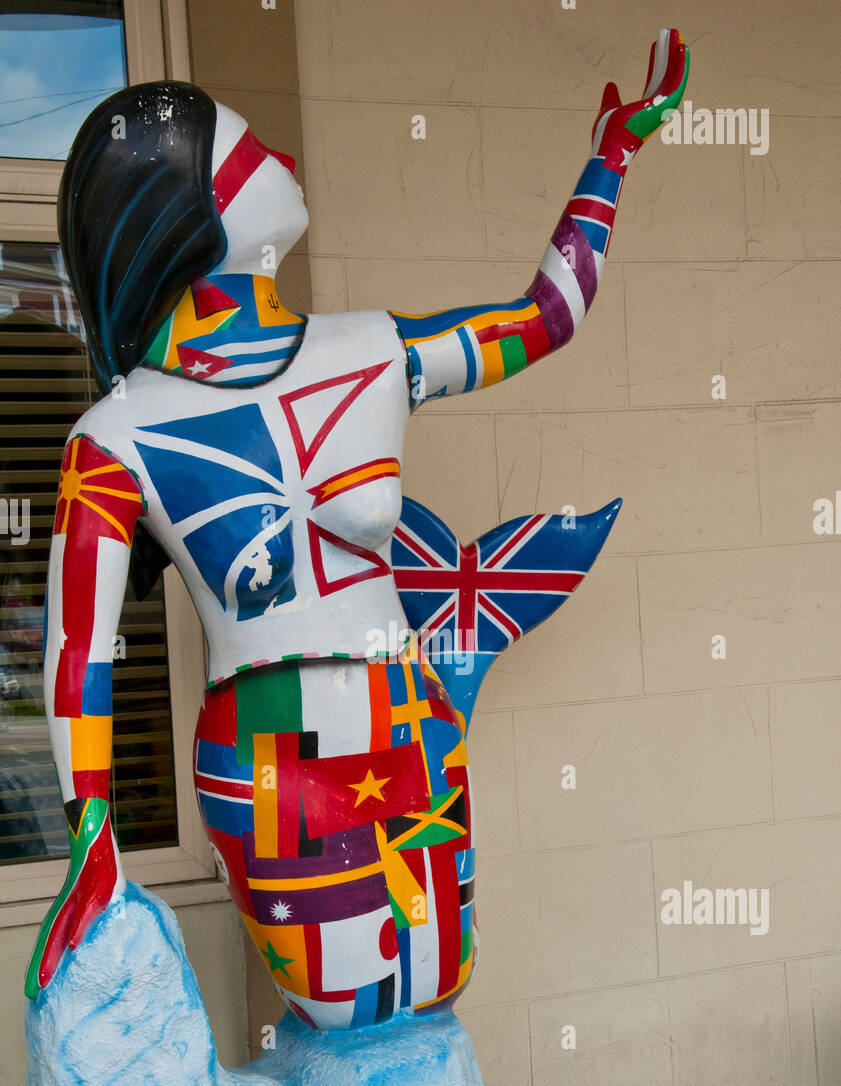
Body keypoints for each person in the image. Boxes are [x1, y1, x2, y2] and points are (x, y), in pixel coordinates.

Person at [28, 30, 689, 1026]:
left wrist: (612, 156)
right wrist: (93, 837)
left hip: (407, 721)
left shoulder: (374, 349)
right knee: (349, 1008)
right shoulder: (111, 438)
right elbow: (80, 650)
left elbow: (546, 317)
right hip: (269, 756)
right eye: (249, 158)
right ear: (192, 216)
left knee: (435, 983)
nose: (280, 163)